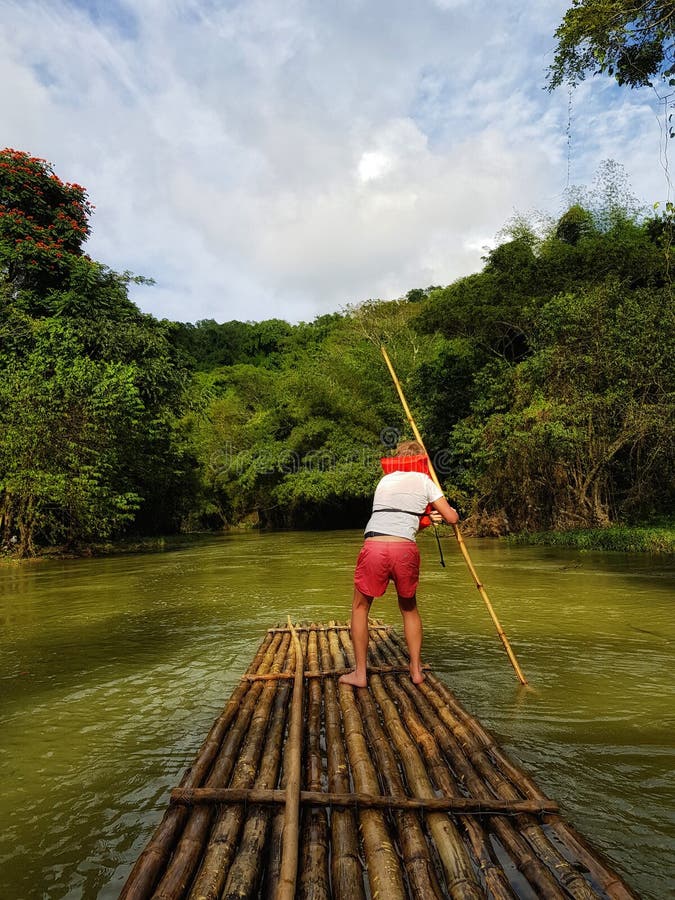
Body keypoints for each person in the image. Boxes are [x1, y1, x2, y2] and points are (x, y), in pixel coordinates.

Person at [339, 440, 459, 688]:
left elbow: (392, 513)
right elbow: (451, 518)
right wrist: (440, 512)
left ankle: (360, 673)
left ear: (399, 458)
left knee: (360, 608)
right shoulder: (426, 481)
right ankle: (415, 670)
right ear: (421, 461)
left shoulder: (385, 480)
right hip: (404, 549)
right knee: (409, 608)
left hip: (375, 546)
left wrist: (425, 517)